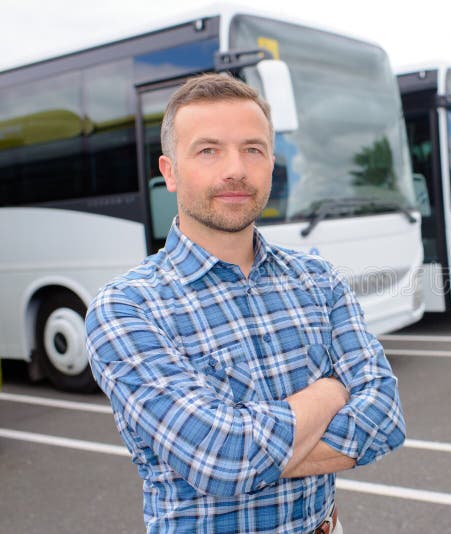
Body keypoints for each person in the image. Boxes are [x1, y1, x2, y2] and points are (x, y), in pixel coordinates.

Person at [85, 73, 406, 533]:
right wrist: (332, 392)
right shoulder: (126, 309)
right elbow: (223, 459)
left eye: (252, 149)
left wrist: (248, 449)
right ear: (170, 172)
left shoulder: (319, 281)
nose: (235, 169)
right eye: (208, 150)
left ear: (271, 162)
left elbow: (387, 419)